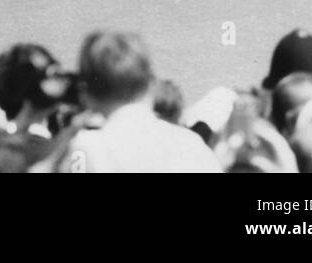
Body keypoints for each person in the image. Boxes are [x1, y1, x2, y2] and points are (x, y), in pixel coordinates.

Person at [52, 31, 220, 172]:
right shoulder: (191, 144)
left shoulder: (84, 148)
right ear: (151, 85)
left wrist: (64, 140)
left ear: (86, 94)